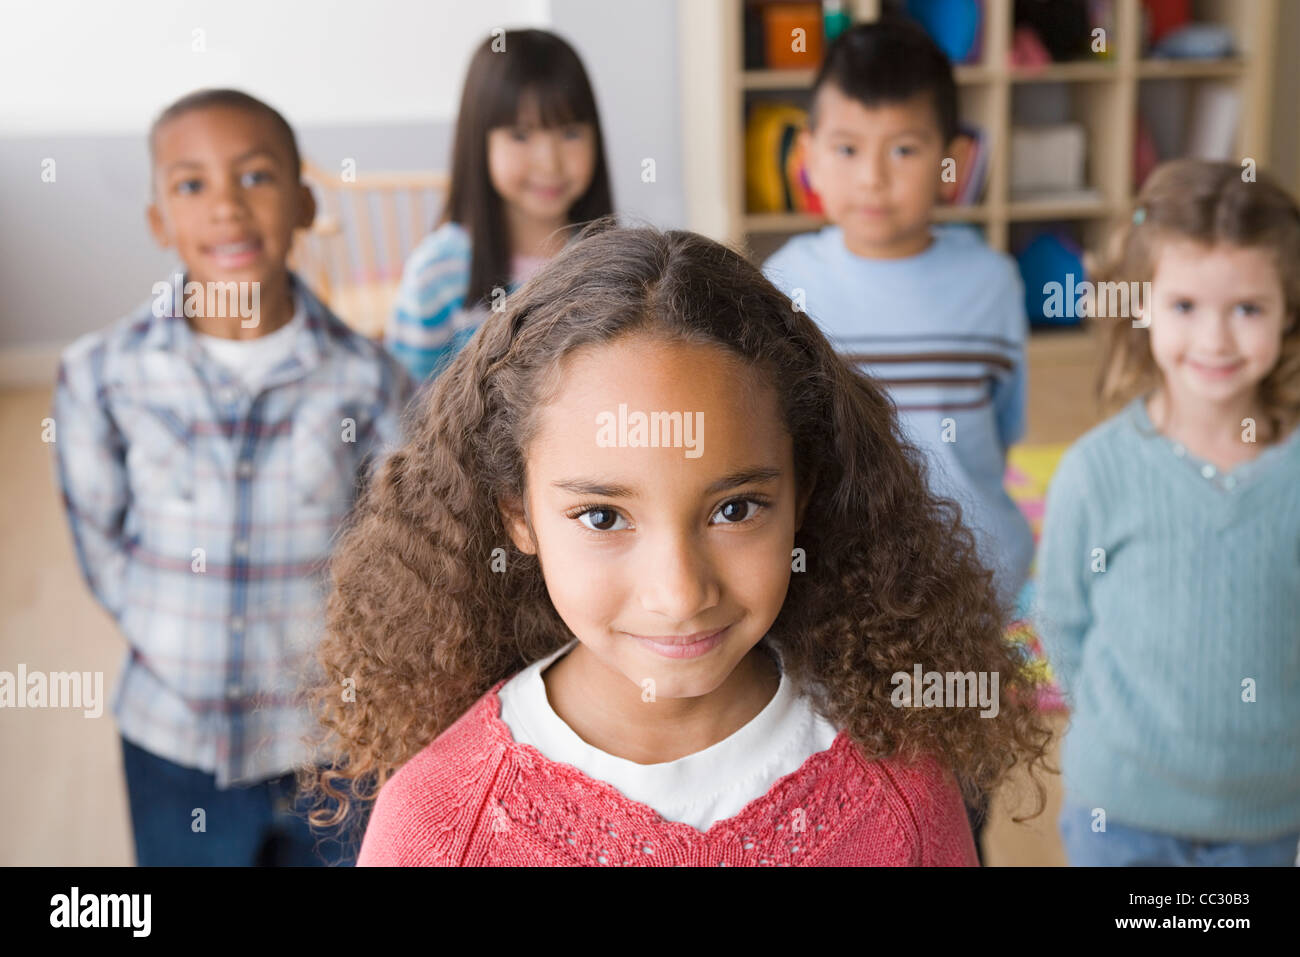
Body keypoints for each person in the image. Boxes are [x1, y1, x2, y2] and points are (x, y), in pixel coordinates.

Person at [301, 223, 1052, 866]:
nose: (680, 591)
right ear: (516, 514)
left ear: (805, 492)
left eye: (735, 508)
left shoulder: (905, 793)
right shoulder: (439, 827)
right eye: (602, 517)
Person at [52, 88, 414, 866]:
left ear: (305, 201)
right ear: (158, 220)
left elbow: (393, 553)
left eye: (255, 177)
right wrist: (174, 641)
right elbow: (102, 543)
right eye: (191, 185)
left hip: (331, 743)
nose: (226, 207)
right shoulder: (101, 376)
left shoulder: (369, 381)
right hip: (174, 740)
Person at [762, 19, 1034, 858]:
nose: (872, 177)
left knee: (960, 805)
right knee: (855, 807)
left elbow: (1005, 423)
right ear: (808, 153)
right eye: (845, 148)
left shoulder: (992, 282)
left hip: (970, 597)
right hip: (836, 600)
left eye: (905, 150)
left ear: (953, 157)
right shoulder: (786, 284)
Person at [1037, 159, 1300, 866]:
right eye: (1185, 307)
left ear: (1287, 311)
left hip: (1270, 822)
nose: (1215, 340)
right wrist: (1125, 728)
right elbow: (1063, 618)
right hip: (1121, 816)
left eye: (1247, 308)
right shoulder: (1096, 470)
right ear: (1142, 307)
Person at [384, 28, 613, 383]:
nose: (549, 163)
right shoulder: (436, 275)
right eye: (520, 135)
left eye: (570, 133)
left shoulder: (612, 262)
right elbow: (405, 414)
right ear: (479, 142)